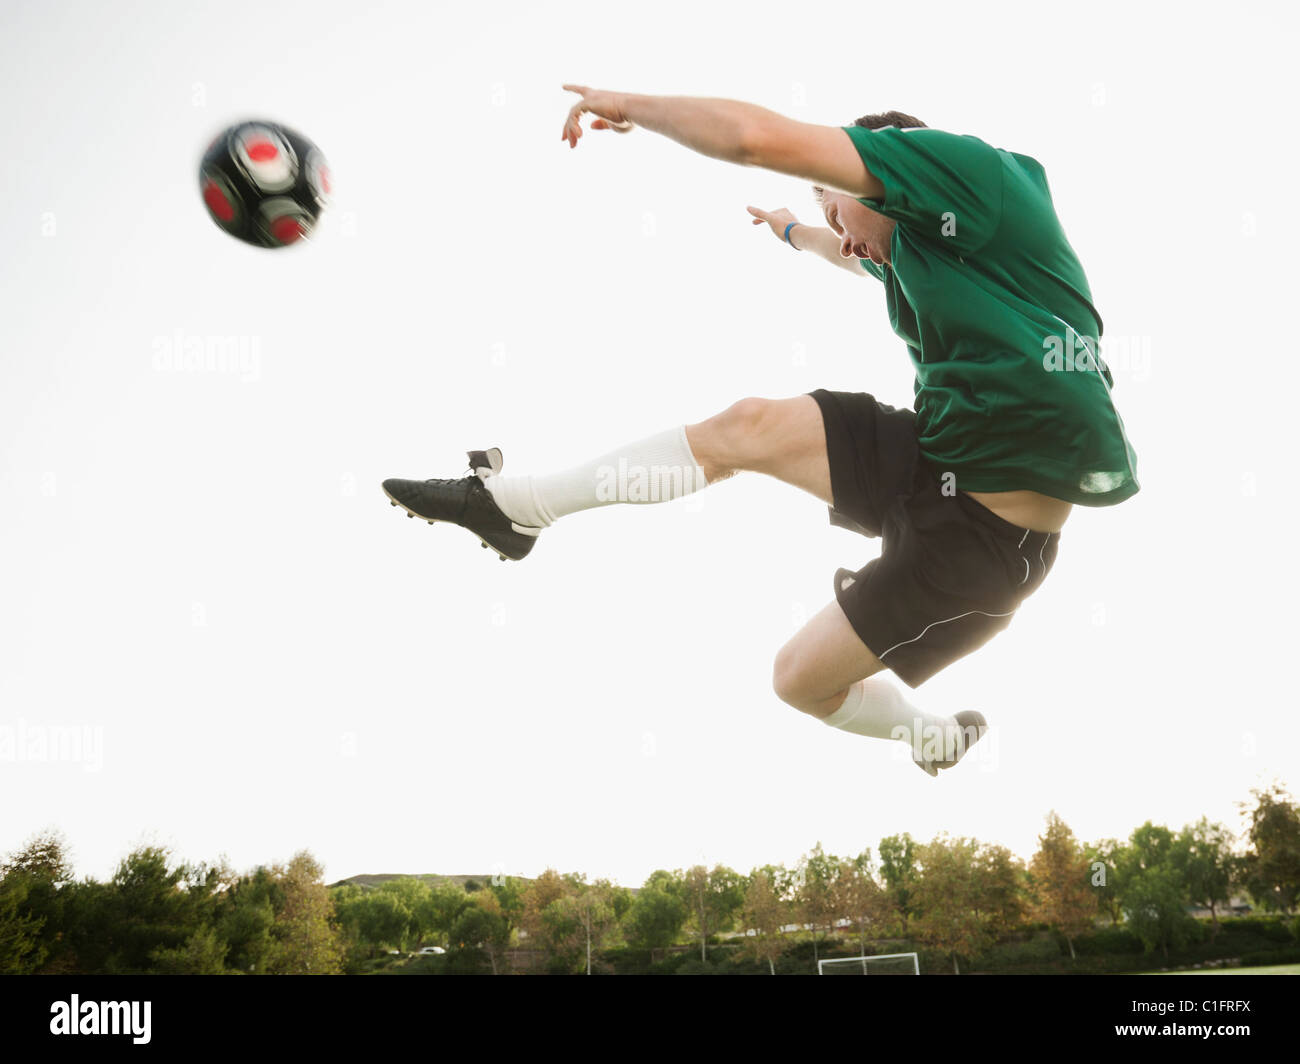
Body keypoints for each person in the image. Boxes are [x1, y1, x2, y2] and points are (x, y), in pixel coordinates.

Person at [382, 86, 1139, 775]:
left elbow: (753, 138)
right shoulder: (914, 246)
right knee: (747, 426)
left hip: (987, 540)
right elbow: (844, 255)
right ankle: (517, 508)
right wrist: (791, 230)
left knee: (797, 681)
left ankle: (927, 736)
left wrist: (631, 107)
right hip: (932, 456)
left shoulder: (973, 178)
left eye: (836, 203)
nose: (844, 233)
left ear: (887, 170)